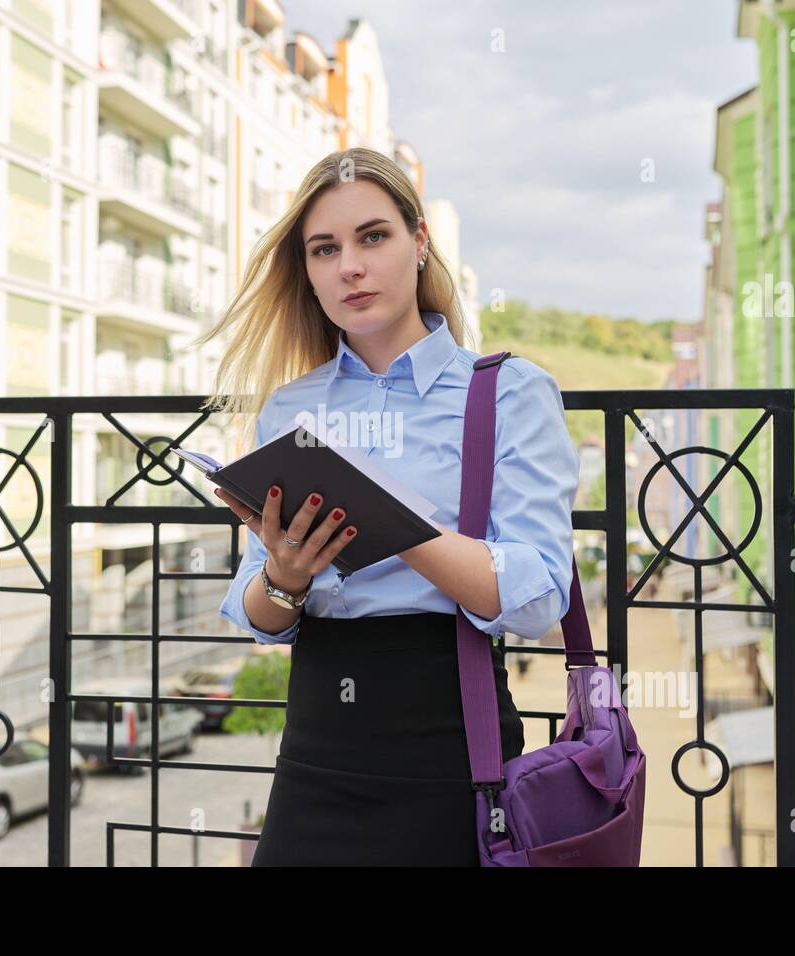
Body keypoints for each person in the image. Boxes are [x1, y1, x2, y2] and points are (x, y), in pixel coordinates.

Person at [193, 146, 580, 866]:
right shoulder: (290, 409)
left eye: (373, 236)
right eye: (324, 249)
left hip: (452, 742)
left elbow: (537, 599)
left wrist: (385, 520)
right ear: (307, 273)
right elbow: (259, 619)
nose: (350, 266)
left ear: (419, 242)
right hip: (317, 745)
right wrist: (286, 574)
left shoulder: (508, 393)